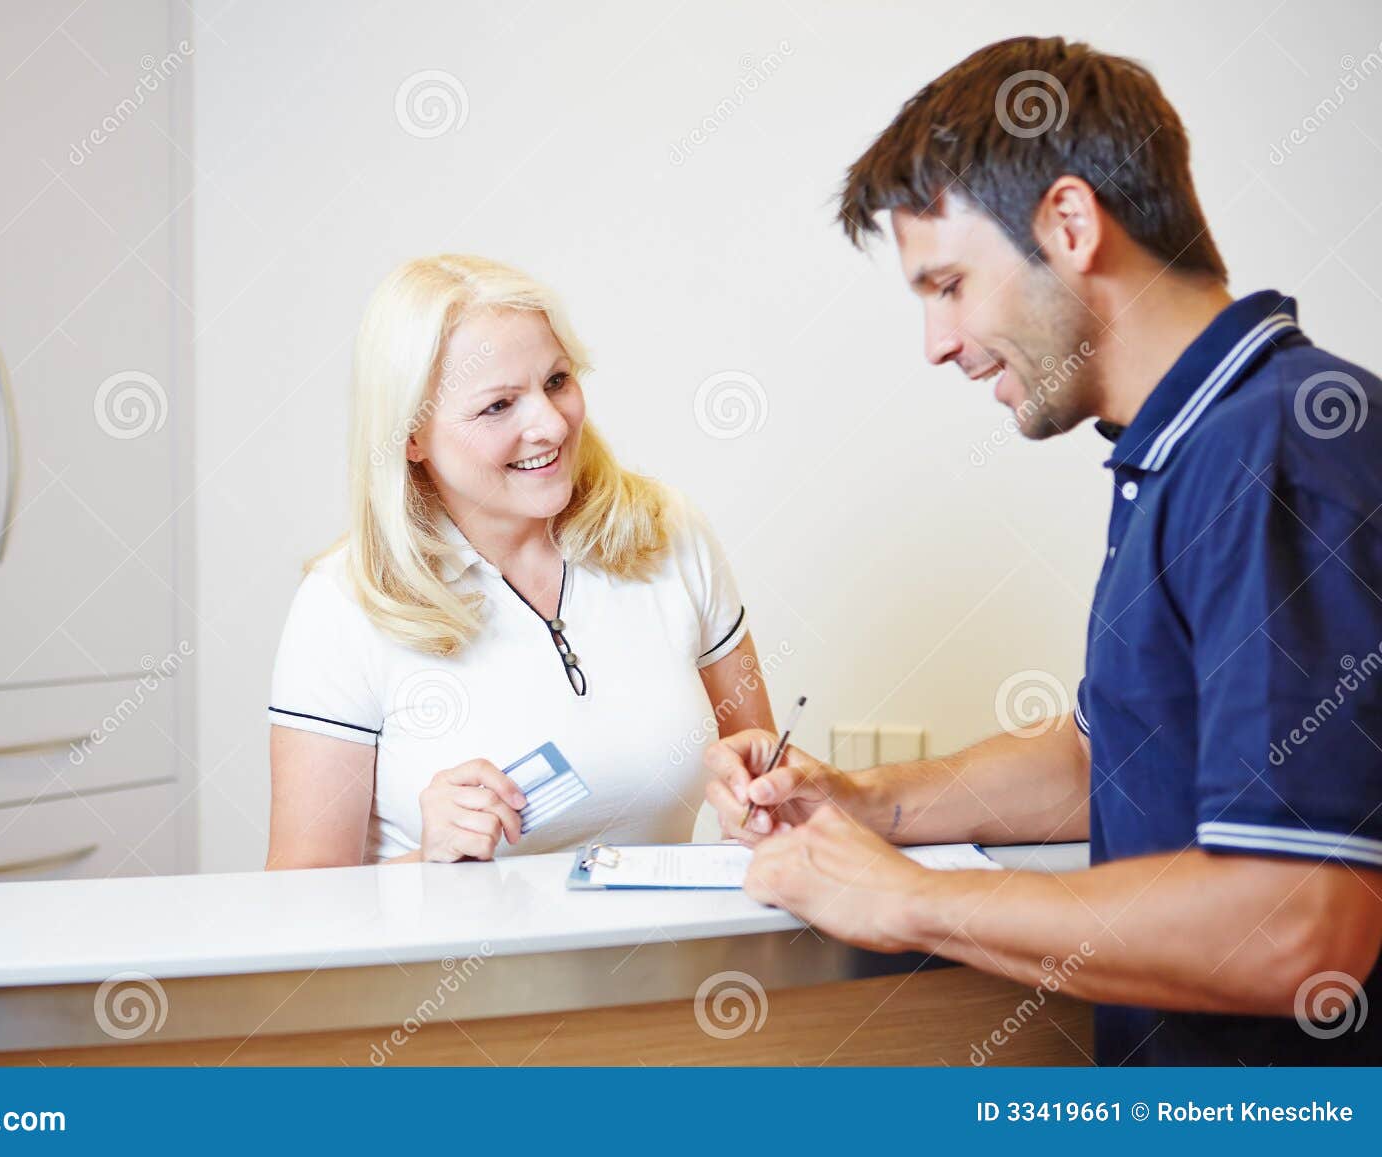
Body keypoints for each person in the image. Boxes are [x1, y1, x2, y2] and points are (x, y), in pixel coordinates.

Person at [706, 36, 1382, 1065]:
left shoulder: (1275, 449)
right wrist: (864, 802)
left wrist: (917, 903)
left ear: (1069, 223)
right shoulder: (1187, 445)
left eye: (948, 284)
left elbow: (1296, 925)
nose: (937, 342)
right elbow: (1107, 756)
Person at [268, 254, 773, 867]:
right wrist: (427, 860)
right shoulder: (342, 604)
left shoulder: (668, 530)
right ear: (411, 436)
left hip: (669, 962)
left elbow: (759, 769)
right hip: (452, 965)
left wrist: (767, 809)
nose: (552, 425)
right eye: (499, 405)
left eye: (557, 381)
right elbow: (298, 898)